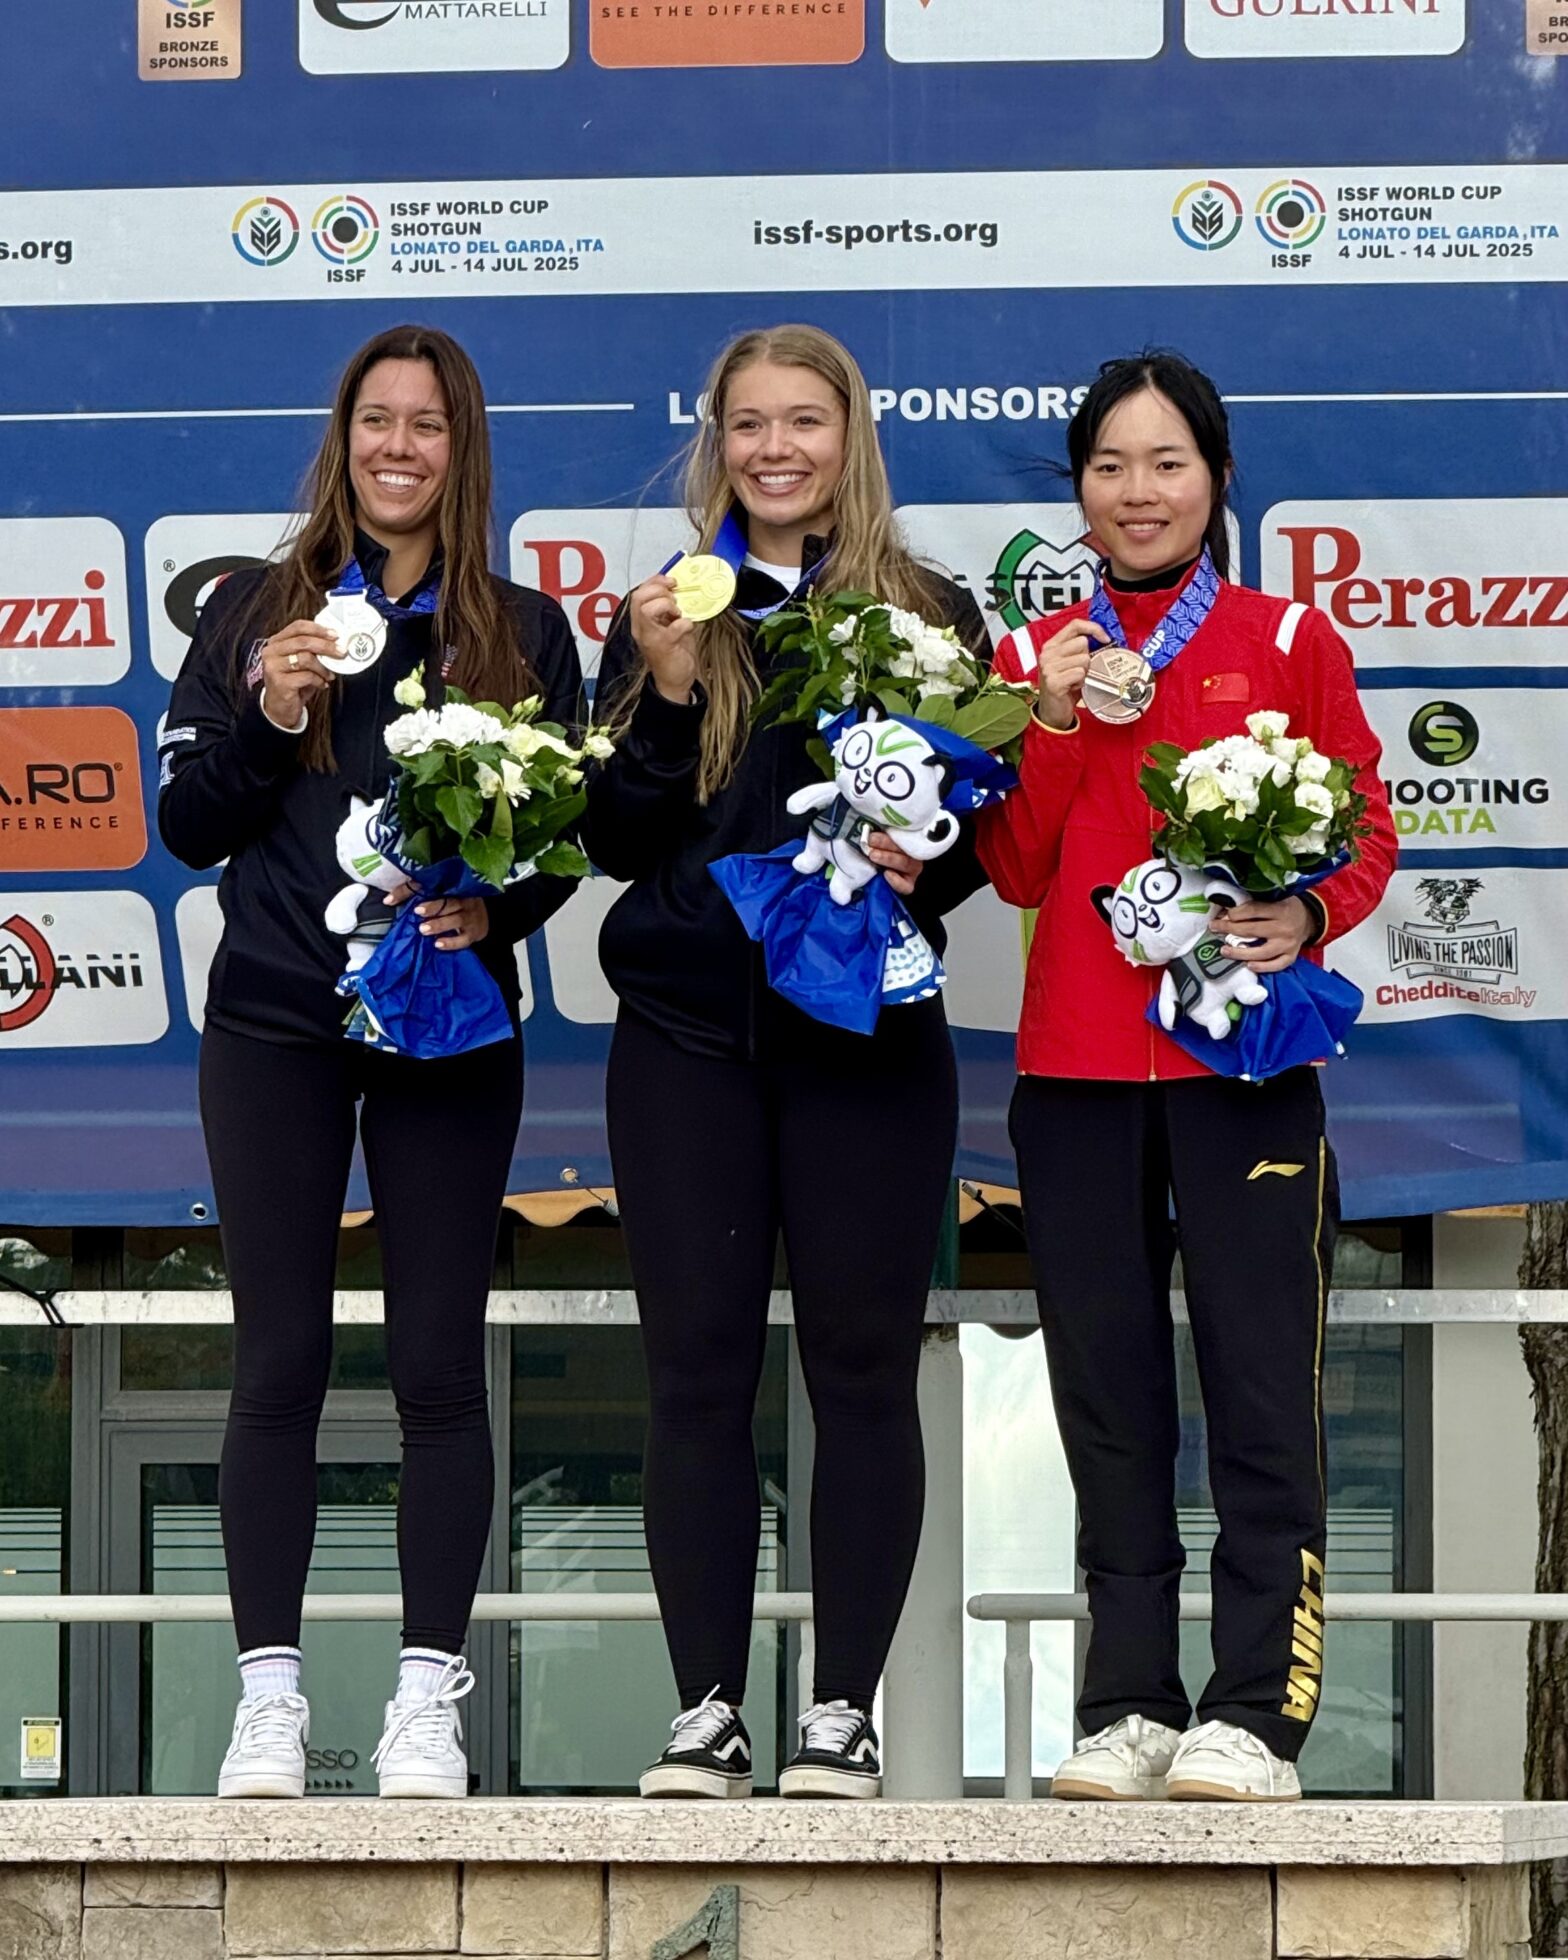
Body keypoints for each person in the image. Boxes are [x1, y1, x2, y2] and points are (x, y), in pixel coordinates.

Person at [158, 324, 582, 1801]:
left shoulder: (524, 629)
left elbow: (559, 848)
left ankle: (423, 1705)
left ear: (463, 450)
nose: (398, 448)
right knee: (276, 1361)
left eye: (428, 426)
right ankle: (266, 1703)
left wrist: (497, 906)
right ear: (343, 440)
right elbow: (193, 825)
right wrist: (275, 715)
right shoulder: (255, 613)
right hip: (277, 1026)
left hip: (449, 1032)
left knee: (433, 1369)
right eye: (375, 423)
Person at [977, 351, 1396, 1803]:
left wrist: (1310, 912)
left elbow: (1366, 824)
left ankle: (1255, 1717)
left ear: (1215, 478)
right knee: (1108, 1400)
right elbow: (1015, 866)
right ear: (1077, 491)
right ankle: (1130, 1702)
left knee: (1262, 1386)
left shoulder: (1286, 634)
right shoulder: (1042, 658)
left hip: (1245, 1068)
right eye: (1109, 467)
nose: (1138, 492)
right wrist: (1042, 724)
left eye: (1167, 464)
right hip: (1078, 1073)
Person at [582, 324, 988, 1800]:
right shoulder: (663, 610)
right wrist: (674, 690)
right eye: (747, 423)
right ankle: (705, 1711)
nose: (774, 449)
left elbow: (978, 843)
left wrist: (916, 854)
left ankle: (841, 1713)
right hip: (687, 1043)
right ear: (715, 444)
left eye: (803, 421)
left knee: (863, 1371)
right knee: (693, 1376)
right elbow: (608, 840)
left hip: (866, 1047)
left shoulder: (928, 611)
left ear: (848, 437)